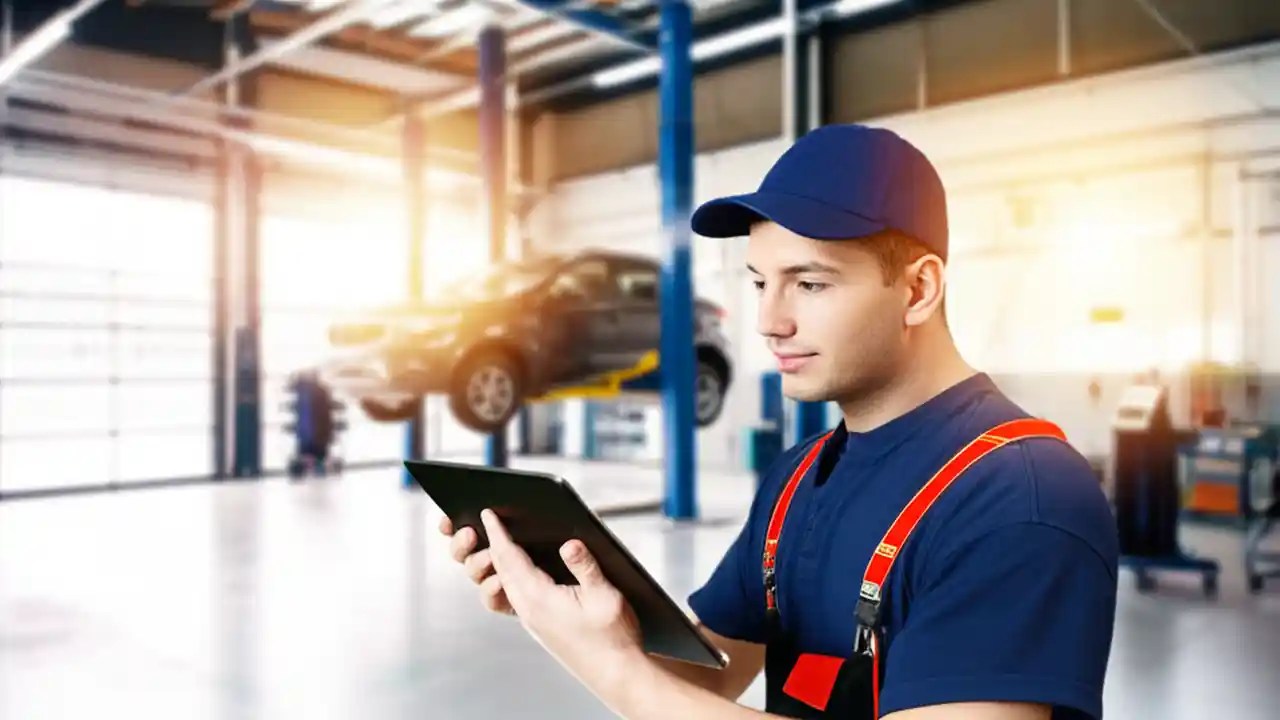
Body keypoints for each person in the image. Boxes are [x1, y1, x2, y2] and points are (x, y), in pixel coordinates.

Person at [440, 124, 1119, 719]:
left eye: (810, 283)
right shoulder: (799, 477)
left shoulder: (1023, 497)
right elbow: (706, 674)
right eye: (761, 282)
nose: (770, 321)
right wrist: (575, 618)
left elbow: (646, 693)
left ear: (918, 289)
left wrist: (616, 670)